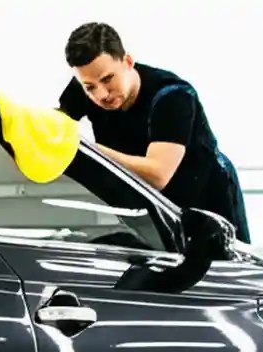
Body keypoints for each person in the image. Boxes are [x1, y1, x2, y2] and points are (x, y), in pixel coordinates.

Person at [57, 21, 251, 244]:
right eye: (89, 86)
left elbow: (158, 175)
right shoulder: (86, 88)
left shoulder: (174, 97)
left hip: (206, 197)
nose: (101, 94)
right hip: (149, 205)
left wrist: (88, 149)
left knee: (223, 273)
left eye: (108, 79)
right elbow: (55, 127)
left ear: (128, 62)